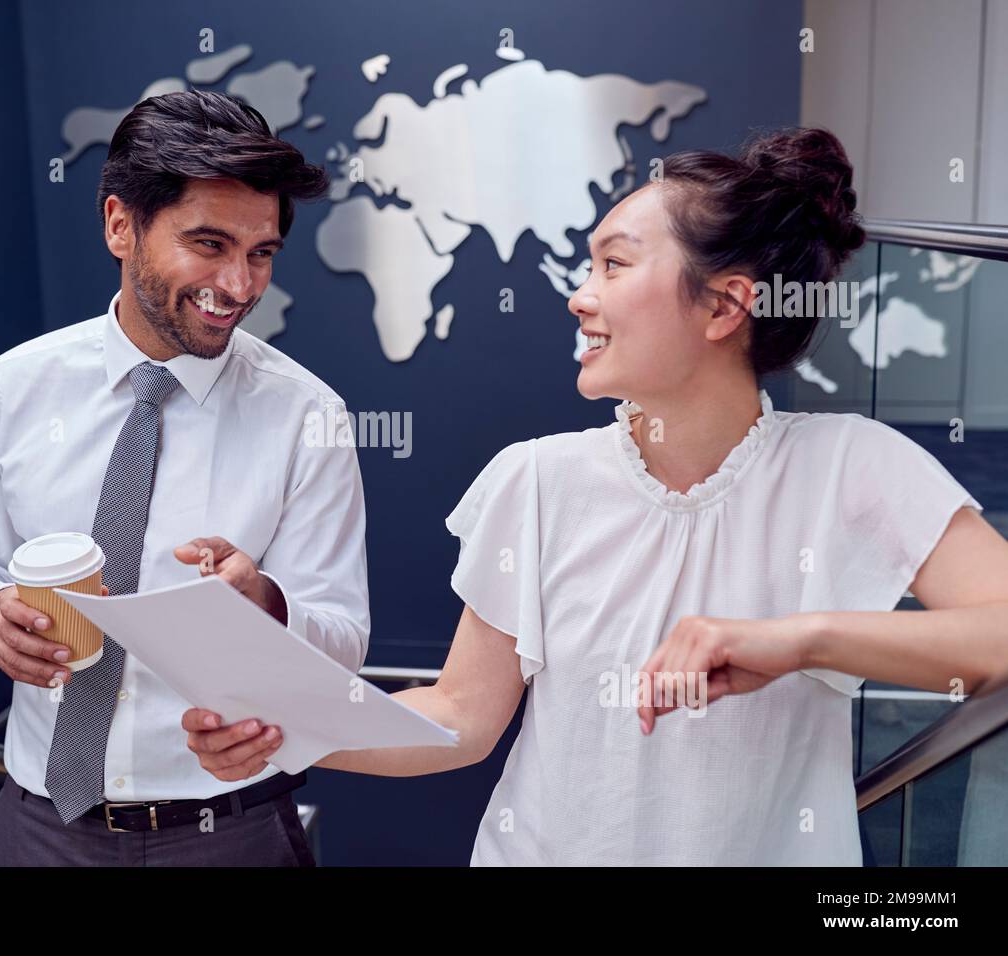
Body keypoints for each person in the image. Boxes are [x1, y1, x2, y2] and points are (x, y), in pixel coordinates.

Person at [183, 127, 1008, 865]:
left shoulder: (854, 467)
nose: (580, 295)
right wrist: (282, 728)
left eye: (614, 263)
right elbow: (464, 717)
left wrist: (801, 640)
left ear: (724, 304)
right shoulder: (537, 480)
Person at [0, 91, 369, 866]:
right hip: (41, 830)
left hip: (230, 833)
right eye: (209, 244)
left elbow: (341, 638)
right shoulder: (14, 386)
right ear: (119, 224)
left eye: (261, 252)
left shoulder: (309, 415)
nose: (239, 285)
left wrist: (264, 602)